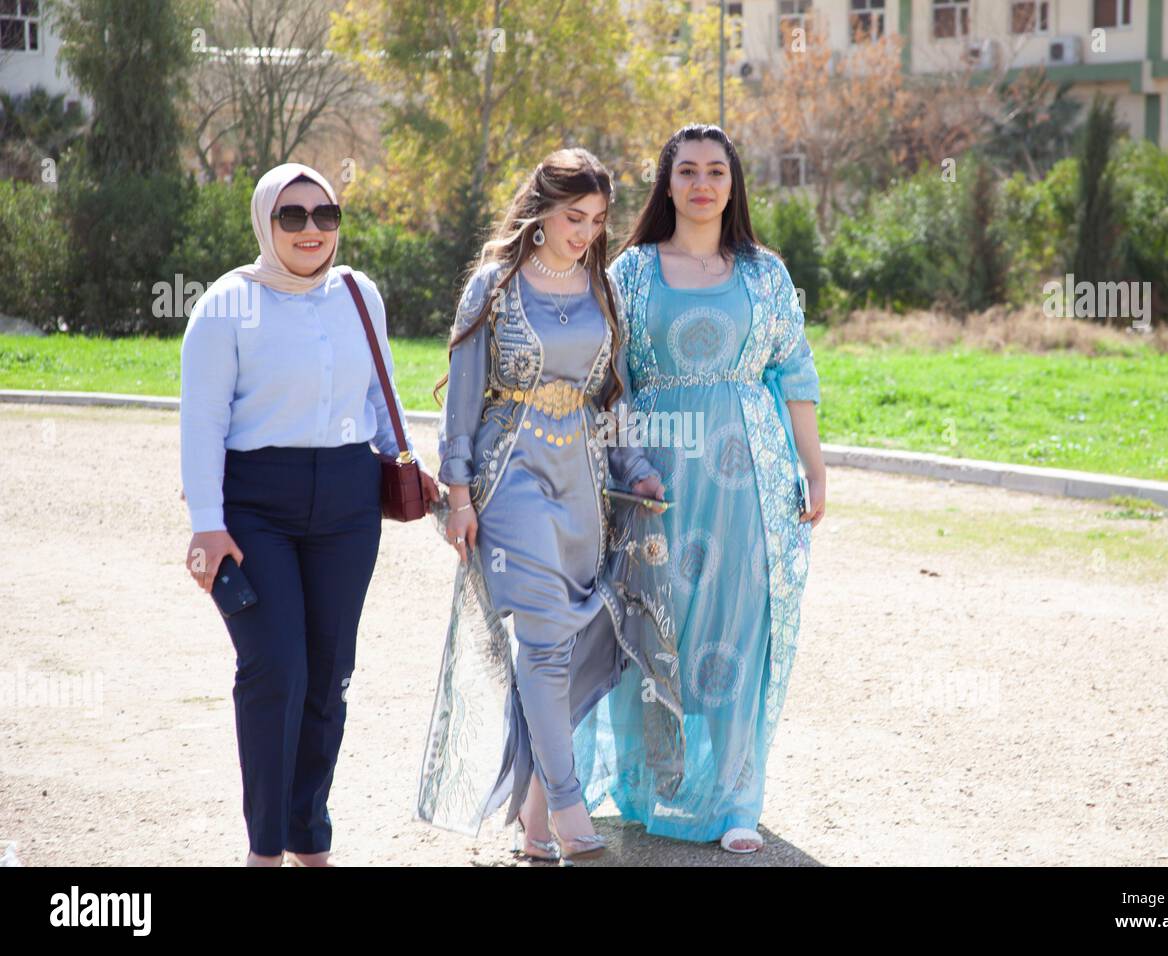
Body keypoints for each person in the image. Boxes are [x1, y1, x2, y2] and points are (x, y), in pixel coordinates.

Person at [414, 147, 684, 862]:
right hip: (511, 476)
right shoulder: (493, 286)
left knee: (580, 640)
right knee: (542, 640)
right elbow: (462, 399)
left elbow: (614, 395)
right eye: (574, 218)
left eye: (597, 220)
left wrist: (637, 470)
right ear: (540, 213)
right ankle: (568, 805)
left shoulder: (600, 286)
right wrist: (459, 495)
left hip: (583, 483)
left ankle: (534, 816)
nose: (586, 233)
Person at [573, 124, 827, 853]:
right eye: (687, 170)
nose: (702, 183)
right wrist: (616, 466)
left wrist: (813, 466)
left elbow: (794, 370)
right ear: (668, 183)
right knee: (655, 623)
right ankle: (650, 785)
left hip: (749, 477)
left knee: (738, 630)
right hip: (654, 474)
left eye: (716, 170)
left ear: (733, 182)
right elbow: (609, 378)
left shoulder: (764, 274)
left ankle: (734, 798)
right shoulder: (630, 272)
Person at [180, 161, 438, 866]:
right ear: (265, 221)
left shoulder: (358, 292)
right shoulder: (226, 304)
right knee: (275, 670)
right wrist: (207, 523)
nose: (310, 230)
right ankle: (264, 848)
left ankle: (308, 837)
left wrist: (409, 462)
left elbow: (381, 396)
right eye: (291, 216)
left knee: (329, 676)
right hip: (254, 506)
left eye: (325, 215)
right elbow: (201, 420)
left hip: (349, 503)